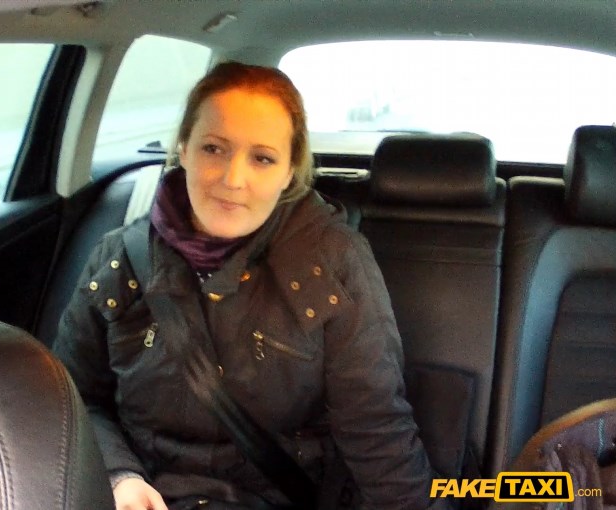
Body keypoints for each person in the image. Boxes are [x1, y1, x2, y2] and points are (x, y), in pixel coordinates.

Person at [53, 62, 443, 510]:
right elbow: (72, 397)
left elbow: (374, 429)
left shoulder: (333, 262)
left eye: (262, 158)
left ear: (290, 170)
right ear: (184, 149)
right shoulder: (119, 258)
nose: (233, 179)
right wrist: (117, 475)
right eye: (214, 148)